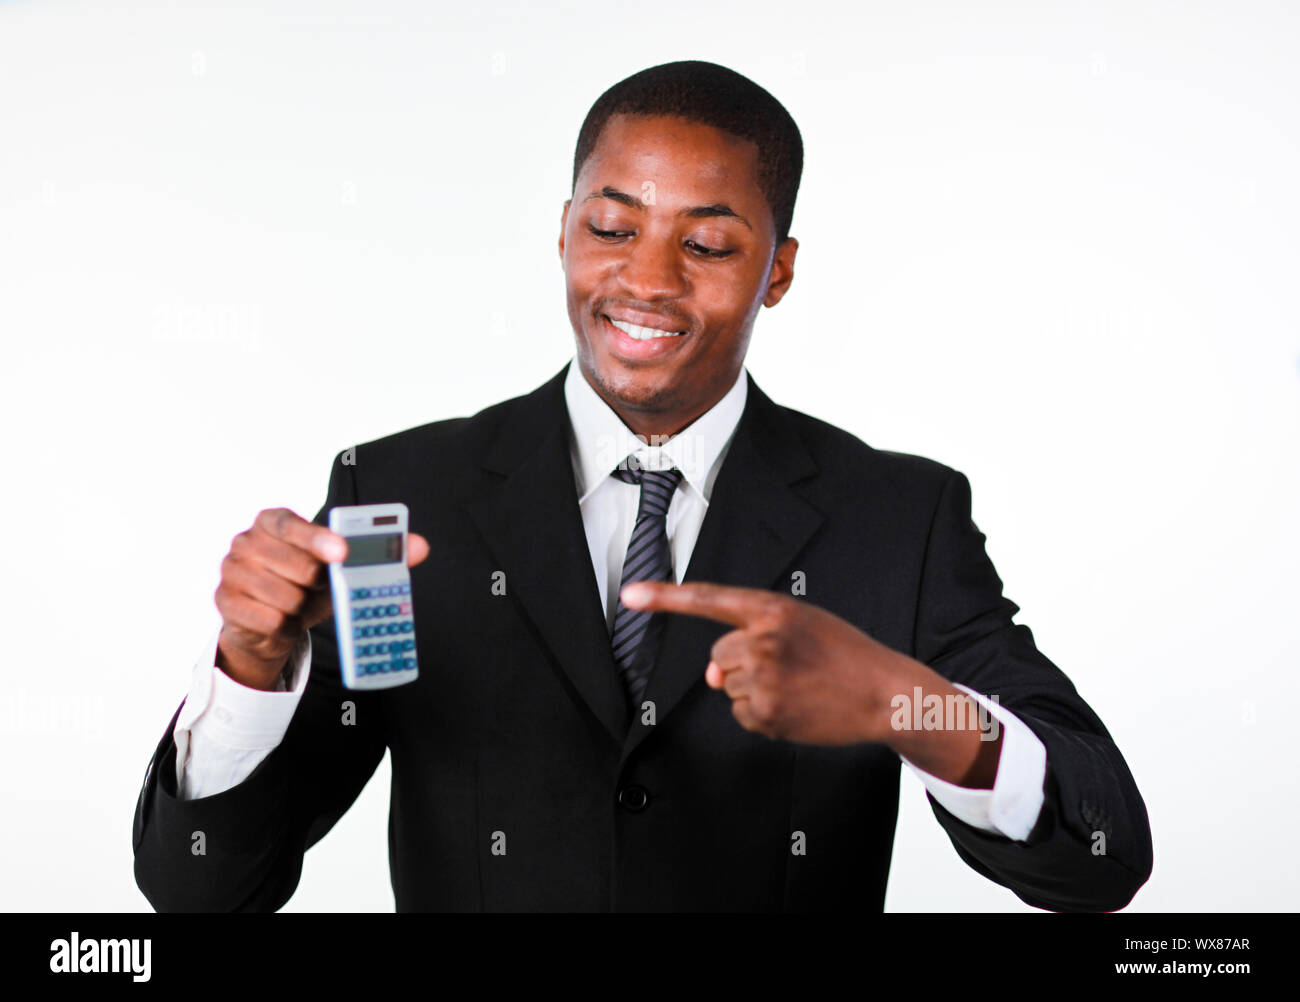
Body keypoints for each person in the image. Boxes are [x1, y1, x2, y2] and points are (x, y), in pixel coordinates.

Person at [132, 60, 1152, 912]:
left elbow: (1099, 853)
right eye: (612, 229)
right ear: (564, 227)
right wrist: (251, 667)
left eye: (706, 245)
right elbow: (204, 889)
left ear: (778, 272)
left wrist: (904, 703)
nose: (649, 280)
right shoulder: (402, 492)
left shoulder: (896, 518)